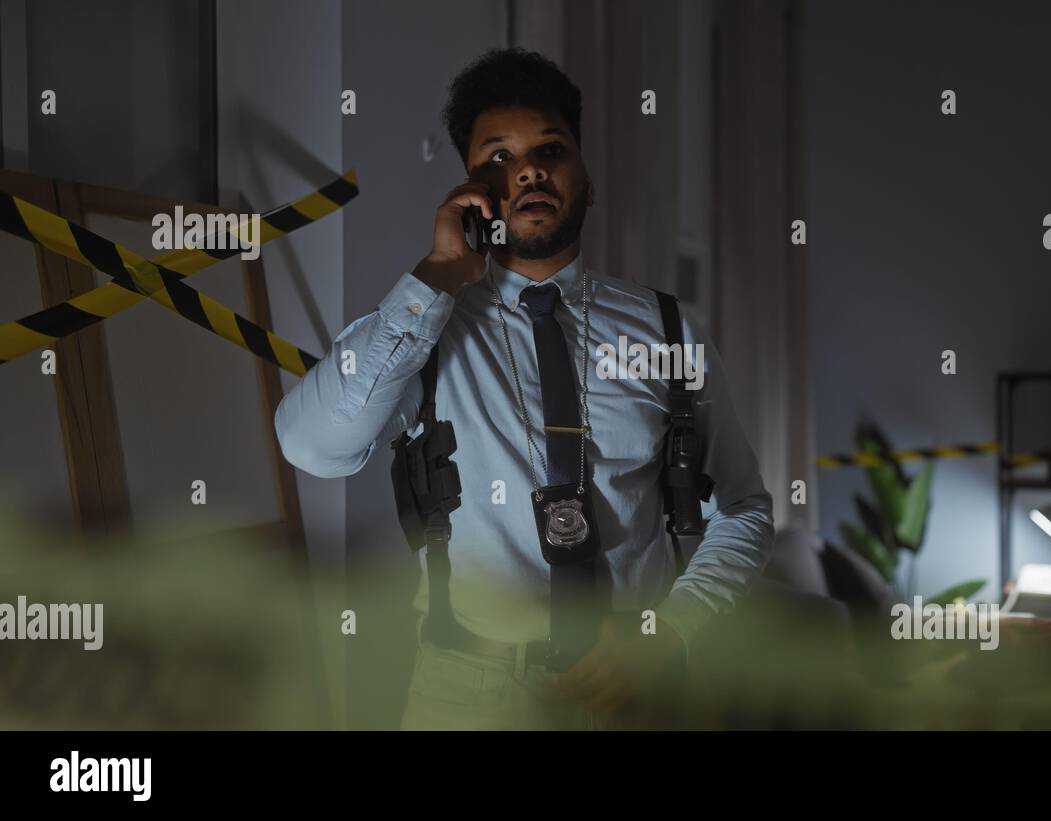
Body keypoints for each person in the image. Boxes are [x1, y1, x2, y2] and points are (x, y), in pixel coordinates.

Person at [275, 48, 773, 730]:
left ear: (588, 181)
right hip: (469, 693)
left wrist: (668, 633)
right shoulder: (423, 323)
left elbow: (743, 508)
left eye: (551, 150)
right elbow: (311, 445)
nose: (530, 169)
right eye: (499, 157)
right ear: (470, 189)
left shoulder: (666, 327)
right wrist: (439, 273)